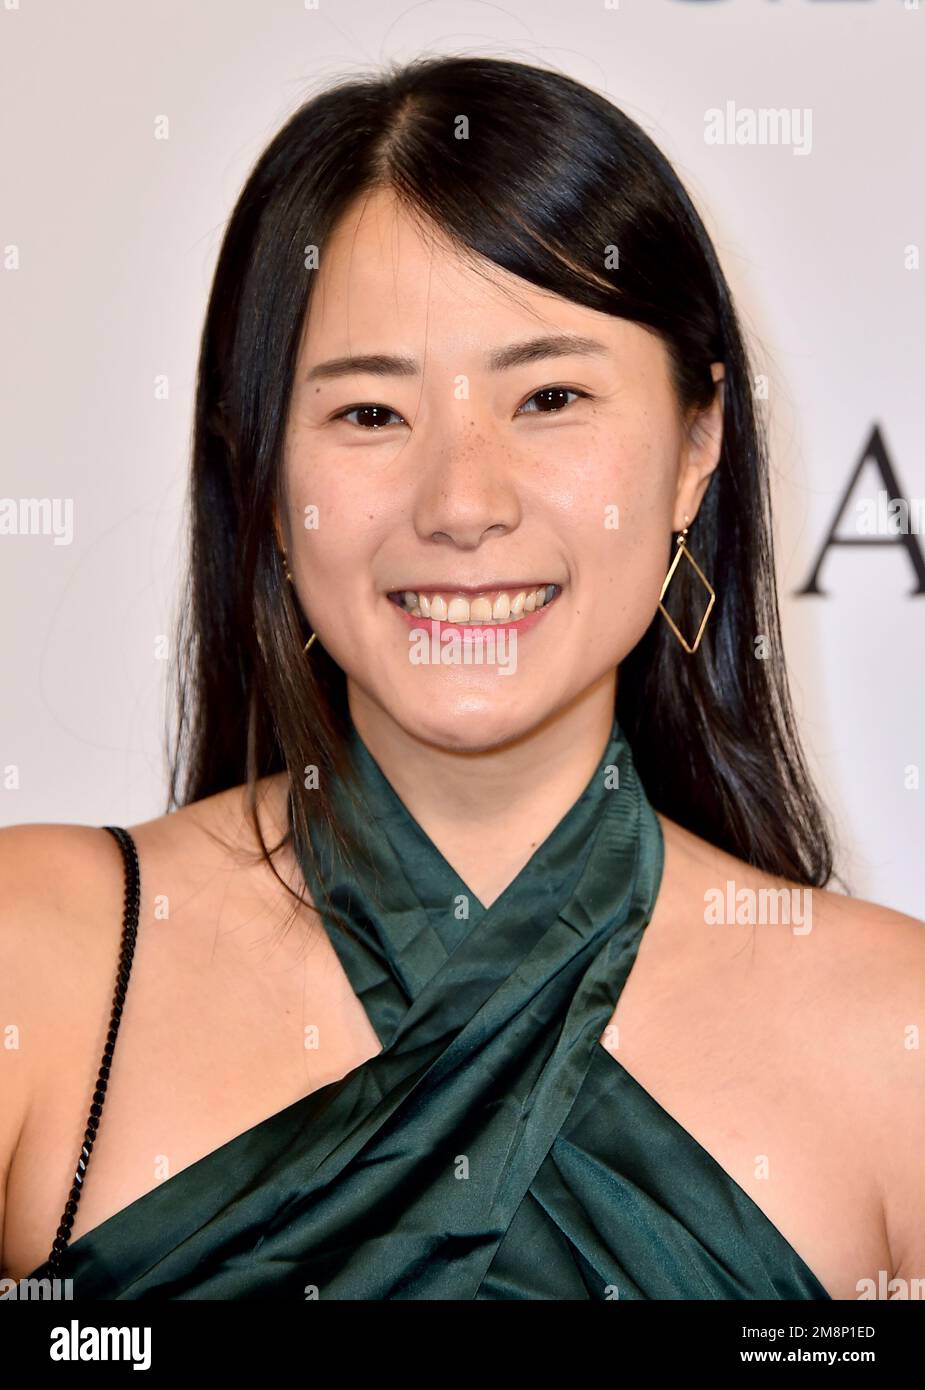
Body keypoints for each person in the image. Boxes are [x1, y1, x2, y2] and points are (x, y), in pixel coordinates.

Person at [1, 54, 922, 1301]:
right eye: (371, 415)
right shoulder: (43, 956)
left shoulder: (892, 1034)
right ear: (266, 485)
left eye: (548, 396)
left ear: (696, 448)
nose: (462, 504)